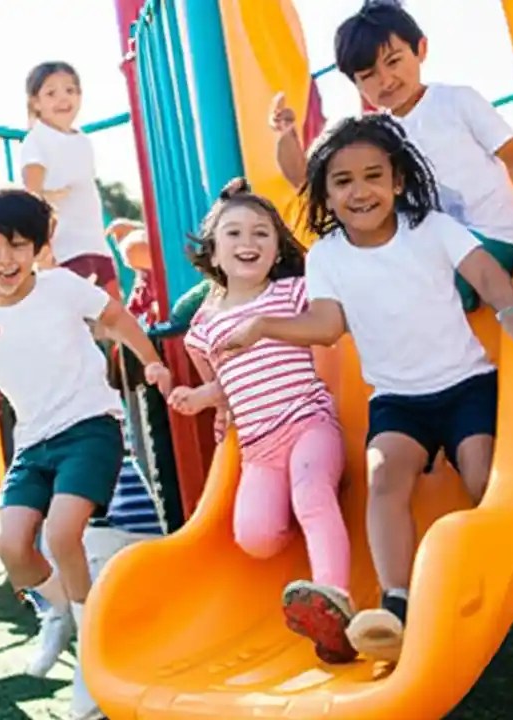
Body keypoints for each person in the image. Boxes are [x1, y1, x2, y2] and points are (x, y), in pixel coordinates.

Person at [220, 115, 513, 664]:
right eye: (342, 181)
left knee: (482, 473)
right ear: (326, 195)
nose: (360, 191)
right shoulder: (327, 256)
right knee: (384, 478)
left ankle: (495, 574)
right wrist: (265, 327)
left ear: (397, 180)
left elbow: (484, 273)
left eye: (373, 176)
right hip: (398, 401)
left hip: (465, 384)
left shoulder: (429, 227)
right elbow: (328, 325)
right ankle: (397, 604)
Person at [0, 185, 171, 720]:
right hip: (34, 443)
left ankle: (92, 654)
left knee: (64, 532)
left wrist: (151, 360)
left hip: (90, 426)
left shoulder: (62, 287)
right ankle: (63, 611)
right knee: (11, 547)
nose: (6, 259)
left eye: (19, 245)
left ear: (40, 249)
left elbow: (115, 318)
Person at [271, 0, 513, 311]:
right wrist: (286, 135)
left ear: (421, 50)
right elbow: (306, 179)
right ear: (357, 84)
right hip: (430, 254)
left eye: (394, 61)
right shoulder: (376, 136)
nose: (386, 79)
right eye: (369, 74)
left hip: (491, 241)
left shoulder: (456, 102)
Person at [167, 178, 354, 664]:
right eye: (233, 233)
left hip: (309, 421)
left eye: (261, 234)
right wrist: (202, 397)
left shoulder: (293, 292)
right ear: (213, 249)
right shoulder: (203, 327)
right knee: (255, 537)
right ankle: (302, 516)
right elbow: (226, 385)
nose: (248, 243)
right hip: (258, 449)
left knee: (312, 493)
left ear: (277, 248)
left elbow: (327, 326)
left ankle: (335, 602)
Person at [20, 61, 121, 302]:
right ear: (35, 102)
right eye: (51, 93)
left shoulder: (82, 140)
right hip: (64, 248)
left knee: (113, 310)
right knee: (78, 313)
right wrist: (42, 246)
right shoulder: (37, 140)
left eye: (70, 90)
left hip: (94, 242)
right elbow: (30, 194)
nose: (63, 98)